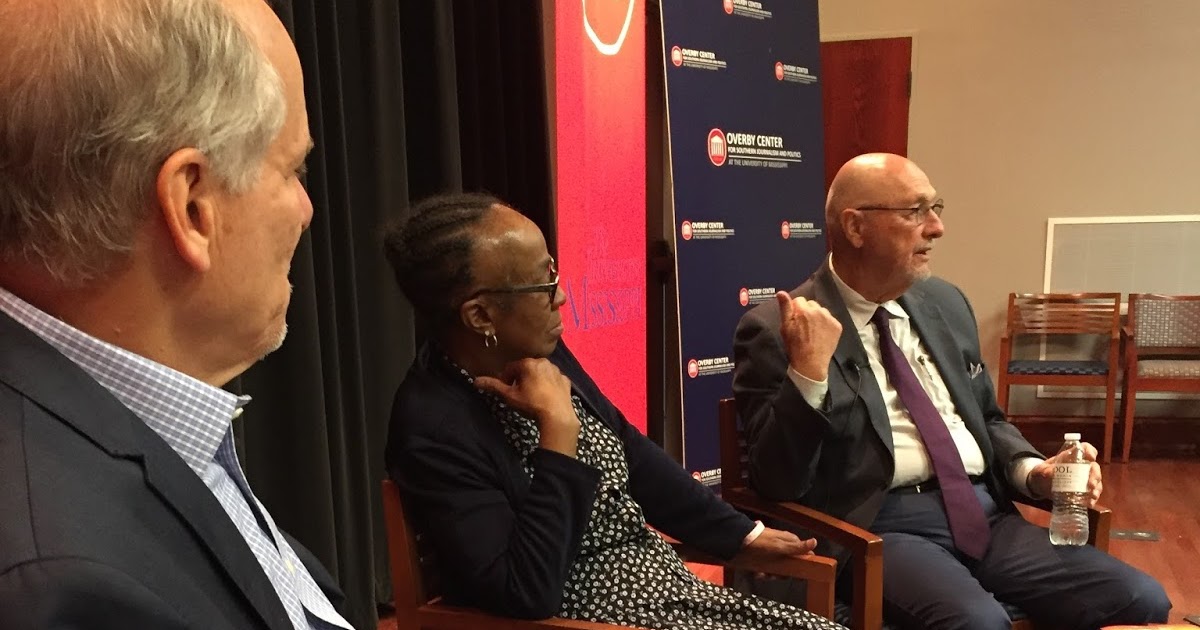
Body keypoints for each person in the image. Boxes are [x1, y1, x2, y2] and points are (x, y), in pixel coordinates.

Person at [0, 1, 352, 628]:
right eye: (293, 169)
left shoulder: (125, 421)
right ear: (192, 207)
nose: (306, 209)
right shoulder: (68, 588)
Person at [732, 153, 1170, 630]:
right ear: (856, 228)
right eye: (915, 211)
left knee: (1140, 598)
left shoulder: (945, 302)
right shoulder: (781, 328)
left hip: (982, 512)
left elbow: (987, 418)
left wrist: (1034, 472)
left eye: (935, 207)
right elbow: (776, 481)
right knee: (978, 624)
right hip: (880, 528)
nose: (936, 227)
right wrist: (809, 377)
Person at [383, 192, 846, 630]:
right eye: (544, 284)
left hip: (664, 593)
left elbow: (631, 452)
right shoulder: (432, 429)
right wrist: (558, 437)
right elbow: (525, 593)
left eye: (554, 272)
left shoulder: (540, 352)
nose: (561, 297)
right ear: (479, 316)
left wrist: (738, 535)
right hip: (582, 620)